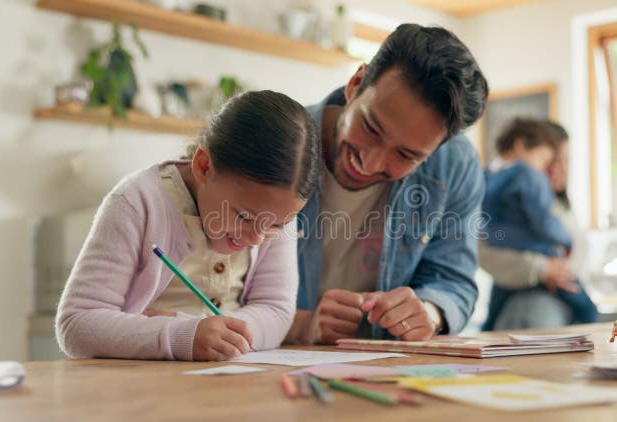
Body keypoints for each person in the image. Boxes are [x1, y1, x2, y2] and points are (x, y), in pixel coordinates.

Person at [56, 90, 322, 361]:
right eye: (244, 217)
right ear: (204, 166)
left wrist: (203, 328)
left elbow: (276, 311)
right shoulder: (137, 202)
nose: (257, 238)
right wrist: (180, 334)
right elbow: (76, 323)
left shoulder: (273, 213)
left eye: (276, 225)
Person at [284, 23, 489, 345]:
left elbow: (453, 279)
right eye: (371, 127)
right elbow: (213, 288)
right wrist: (299, 326)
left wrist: (429, 312)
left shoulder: (456, 165)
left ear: (437, 149)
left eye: (407, 155)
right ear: (355, 84)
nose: (371, 163)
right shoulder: (276, 141)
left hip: (389, 366)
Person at [480, 118, 597, 331]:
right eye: (553, 161)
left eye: (567, 163)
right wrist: (545, 269)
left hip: (551, 297)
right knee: (589, 312)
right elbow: (485, 245)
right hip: (533, 300)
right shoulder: (527, 182)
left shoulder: (552, 199)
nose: (561, 170)